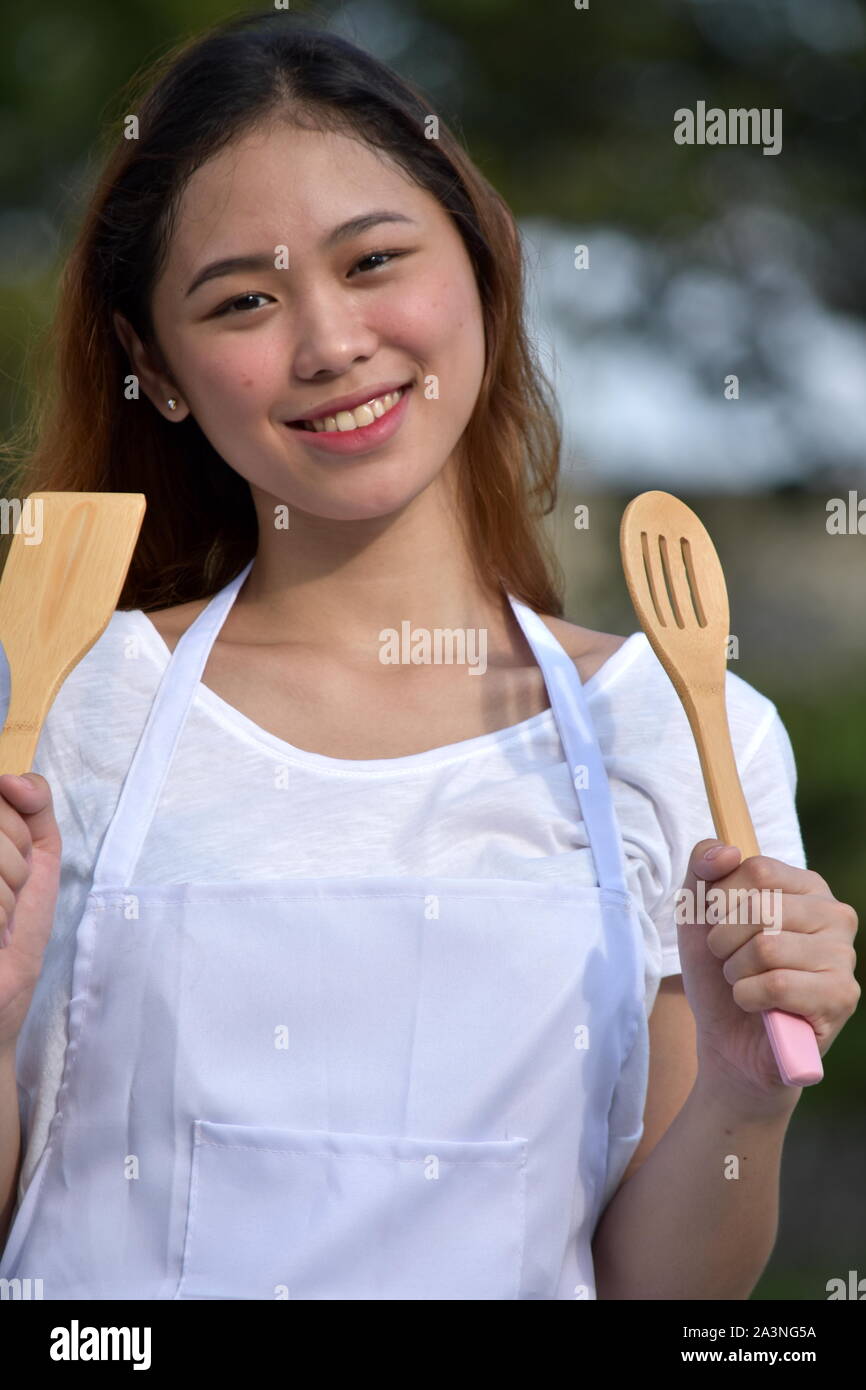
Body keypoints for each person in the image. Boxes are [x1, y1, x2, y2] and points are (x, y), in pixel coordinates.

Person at [0, 10, 858, 1301]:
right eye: (242, 298)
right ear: (154, 367)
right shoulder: (57, 702)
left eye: (372, 260)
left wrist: (744, 1101)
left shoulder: (682, 728)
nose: (330, 342)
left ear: (480, 260)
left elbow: (665, 1300)